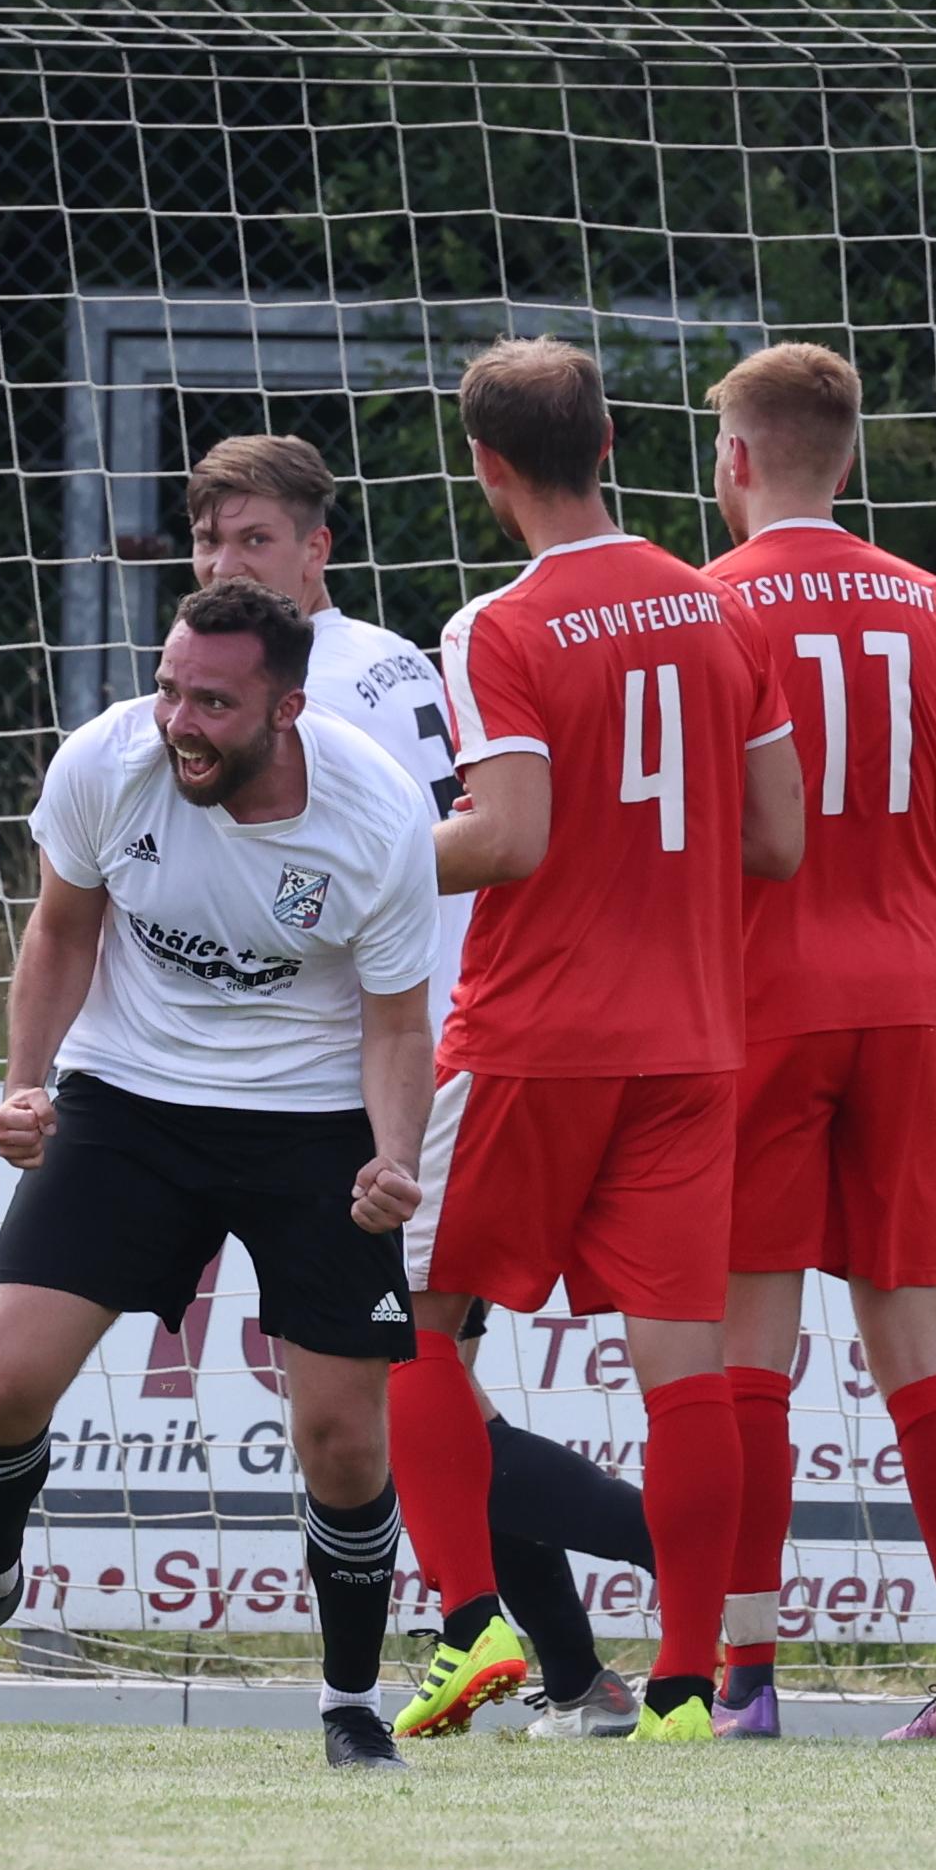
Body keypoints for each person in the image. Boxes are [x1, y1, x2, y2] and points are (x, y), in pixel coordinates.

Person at [0, 583, 444, 1768]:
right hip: (130, 1099)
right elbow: (61, 927)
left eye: (214, 703)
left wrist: (394, 1156)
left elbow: (397, 1021)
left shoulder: (378, 816)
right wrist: (24, 1083)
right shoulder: (107, 761)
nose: (179, 720)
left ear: (286, 710)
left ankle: (349, 1702)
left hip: (313, 1118)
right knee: (3, 1386)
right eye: (170, 687)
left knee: (341, 1439)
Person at [173, 429, 649, 1736]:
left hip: (398, 1062)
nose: (225, 561)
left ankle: (679, 1557)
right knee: (423, 1388)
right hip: (406, 1048)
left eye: (255, 538)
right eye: (208, 538)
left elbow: (343, 870)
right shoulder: (366, 659)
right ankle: (571, 1672)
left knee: (398, 1379)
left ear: (316, 549)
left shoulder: (319, 684)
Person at [393, 337, 805, 1739]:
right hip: (690, 1040)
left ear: (486, 466)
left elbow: (507, 837)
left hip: (534, 1032)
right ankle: (689, 1685)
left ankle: (469, 1629)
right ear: (612, 443)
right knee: (684, 1370)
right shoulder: (719, 608)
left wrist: (355, 863)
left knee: (407, 1321)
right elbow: (778, 838)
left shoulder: (496, 624)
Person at [700, 342, 936, 1739]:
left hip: (758, 1011)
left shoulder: (705, 605)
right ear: (848, 460)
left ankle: (744, 1677)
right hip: (905, 1009)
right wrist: (925, 979)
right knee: (914, 1342)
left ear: (733, 459)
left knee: (748, 1350)